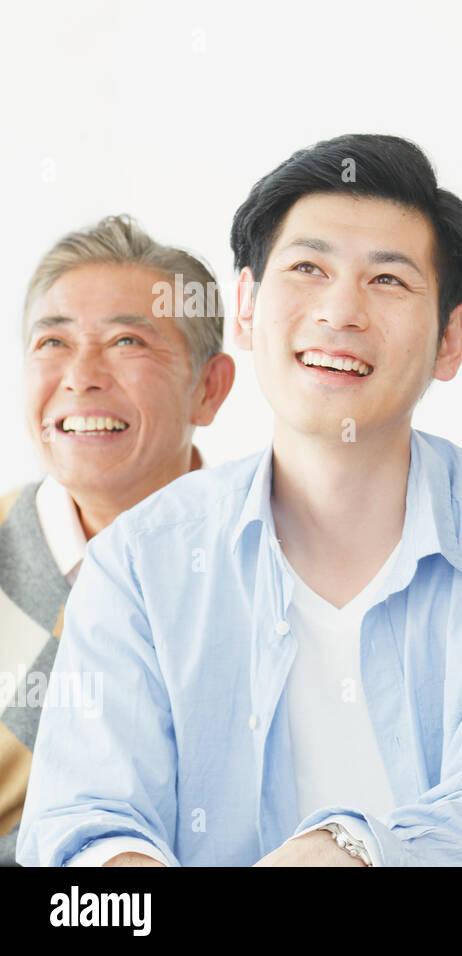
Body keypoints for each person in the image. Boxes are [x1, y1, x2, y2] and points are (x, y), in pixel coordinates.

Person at [17, 133, 462, 867]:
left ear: (452, 338)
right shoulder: (139, 560)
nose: (339, 310)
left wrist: (345, 851)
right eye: (307, 268)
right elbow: (85, 822)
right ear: (248, 306)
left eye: (387, 281)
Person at [1, 215, 233, 866]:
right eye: (53, 343)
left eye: (128, 341)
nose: (81, 376)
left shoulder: (269, 563)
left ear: (208, 388)